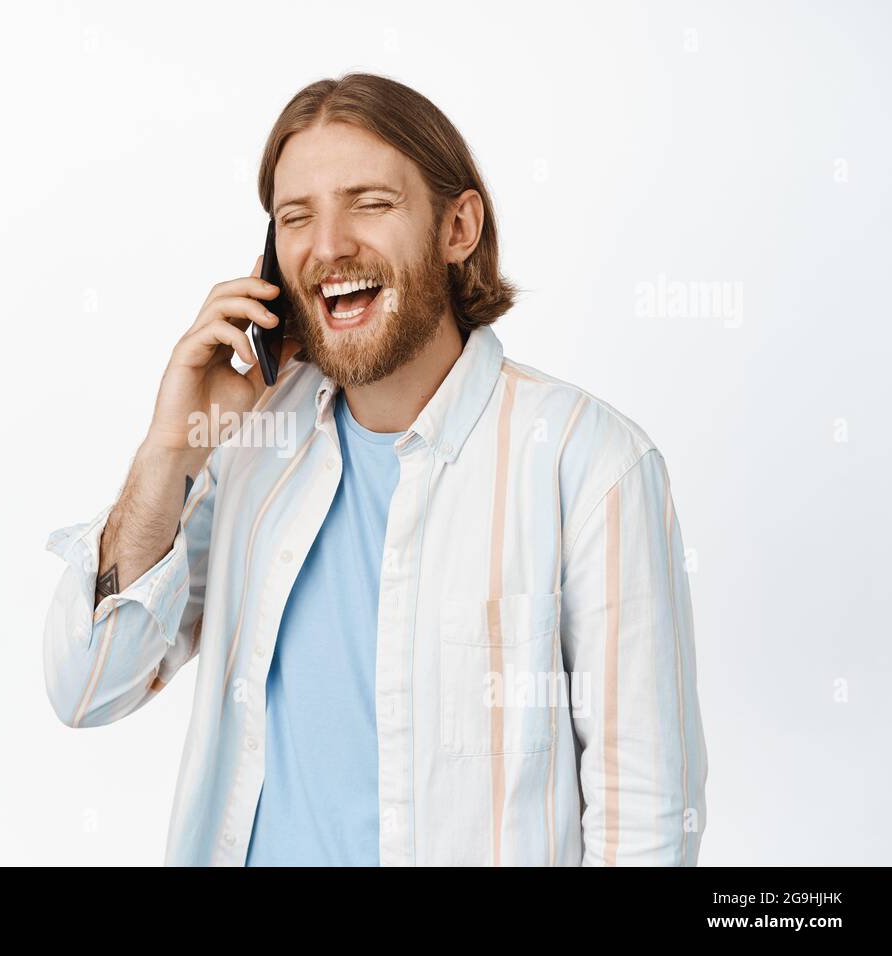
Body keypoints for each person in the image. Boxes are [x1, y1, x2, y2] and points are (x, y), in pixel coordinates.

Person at [42, 73, 708, 866]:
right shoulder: (252, 445)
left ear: (458, 227)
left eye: (370, 203)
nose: (328, 247)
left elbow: (645, 824)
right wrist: (172, 447)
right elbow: (88, 687)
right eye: (297, 218)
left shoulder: (590, 464)